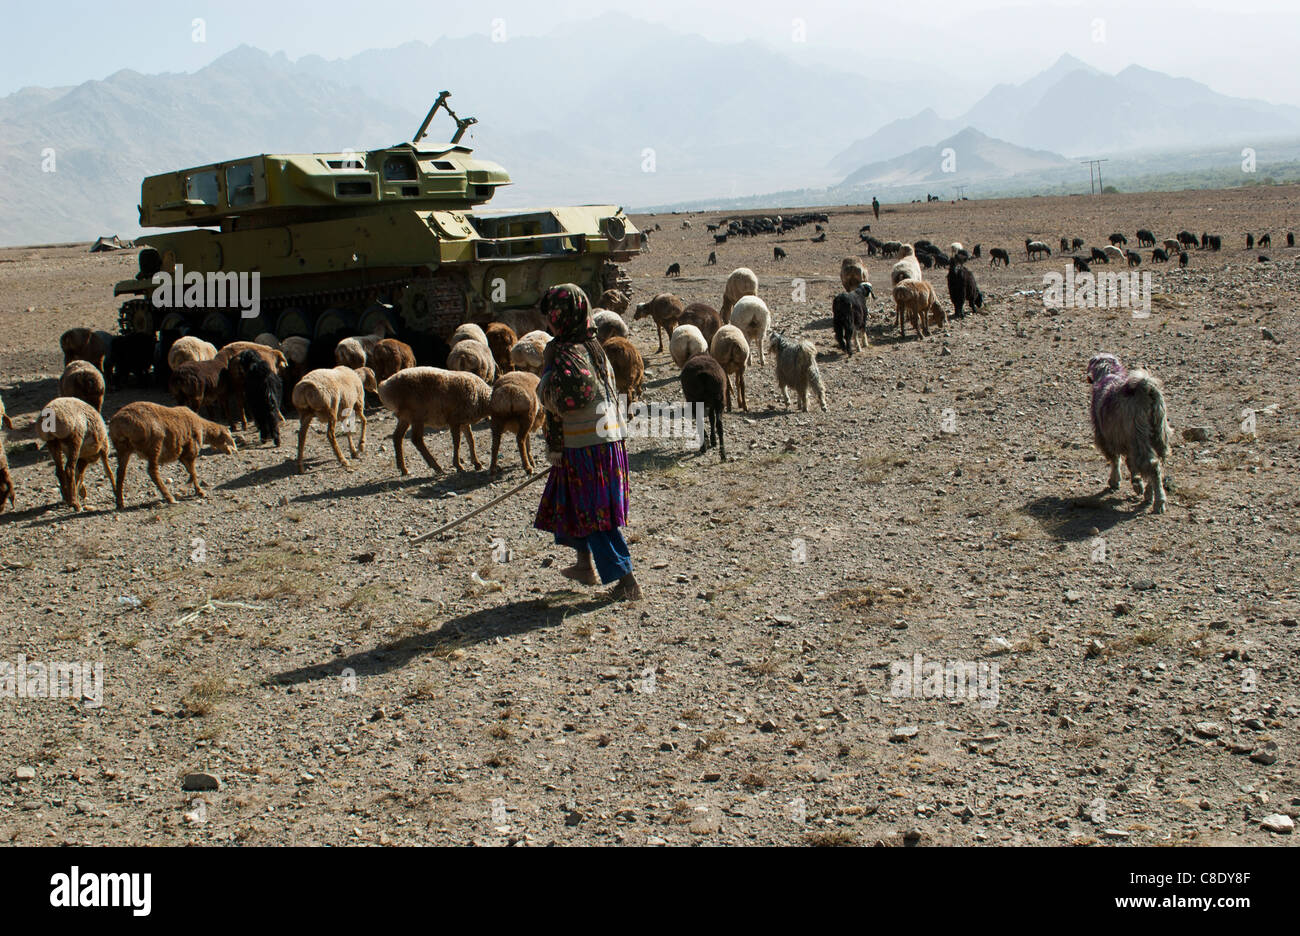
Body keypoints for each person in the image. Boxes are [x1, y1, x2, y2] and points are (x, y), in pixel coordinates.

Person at [534, 284, 641, 601]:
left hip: (585, 446)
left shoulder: (563, 351)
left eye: (551, 318)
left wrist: (541, 388)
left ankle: (627, 581)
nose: (549, 325)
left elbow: (559, 401)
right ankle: (583, 563)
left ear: (560, 317)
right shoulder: (594, 346)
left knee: (595, 515)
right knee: (569, 500)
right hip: (606, 441)